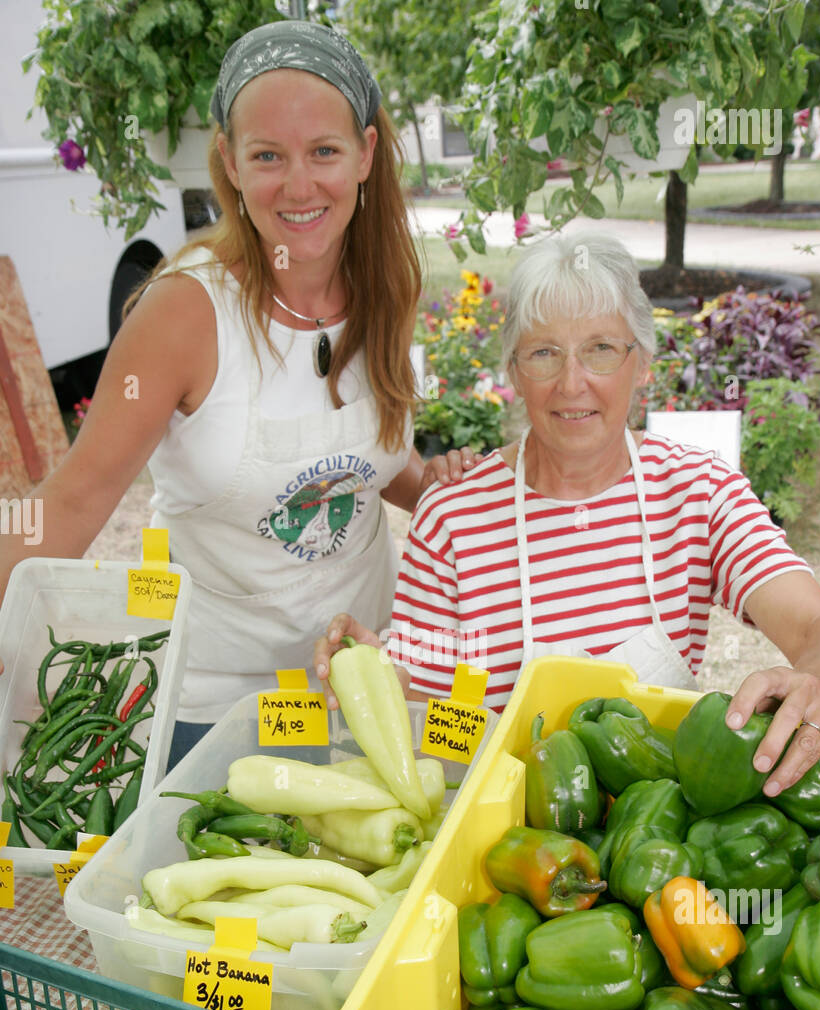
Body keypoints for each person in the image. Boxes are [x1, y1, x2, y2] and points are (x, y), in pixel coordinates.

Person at [0, 19, 476, 767]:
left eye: (323, 150)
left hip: (365, 683)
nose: (298, 184)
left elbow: (368, 465)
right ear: (228, 159)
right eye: (267, 156)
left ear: (365, 154)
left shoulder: (386, 286)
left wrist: (438, 487)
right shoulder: (185, 312)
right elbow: (72, 499)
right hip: (216, 708)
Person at [314, 231, 820, 798]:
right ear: (513, 371)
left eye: (601, 348)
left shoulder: (698, 491)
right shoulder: (453, 516)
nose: (571, 383)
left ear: (644, 363)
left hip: (659, 834)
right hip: (517, 847)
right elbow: (430, 725)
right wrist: (375, 675)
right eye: (544, 353)